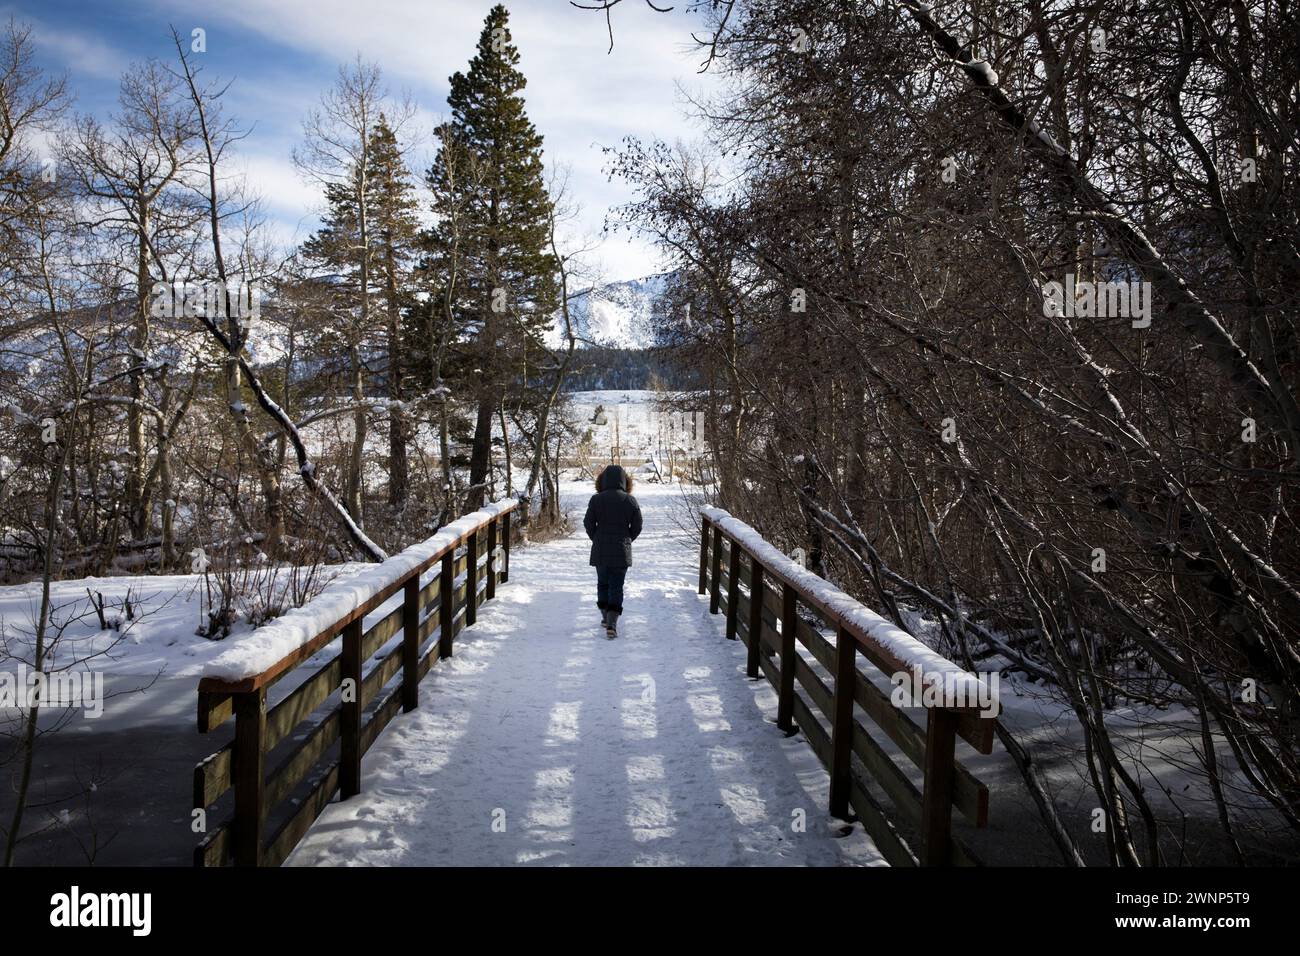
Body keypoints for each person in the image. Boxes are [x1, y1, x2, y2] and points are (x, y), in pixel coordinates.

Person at [583, 464, 642, 637]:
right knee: (616, 586)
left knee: (602, 583)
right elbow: (638, 525)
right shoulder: (630, 500)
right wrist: (627, 538)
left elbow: (588, 523)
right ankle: (612, 623)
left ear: (603, 481)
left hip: (600, 548)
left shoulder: (596, 499)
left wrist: (596, 537)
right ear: (625, 481)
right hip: (621, 550)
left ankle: (605, 617)